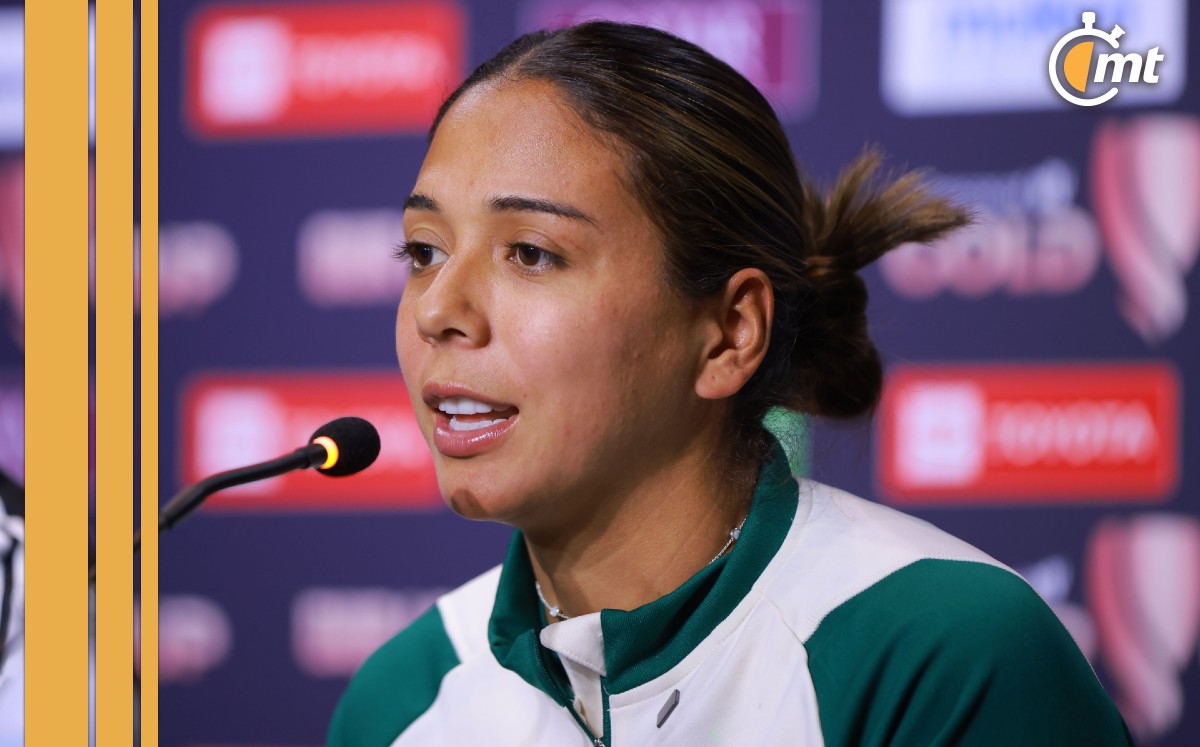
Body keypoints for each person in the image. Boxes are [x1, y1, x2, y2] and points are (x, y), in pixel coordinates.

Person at [328, 21, 1132, 746]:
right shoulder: (402, 696)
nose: (438, 309)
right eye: (424, 250)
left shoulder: (945, 653)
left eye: (531, 253)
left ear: (729, 332)